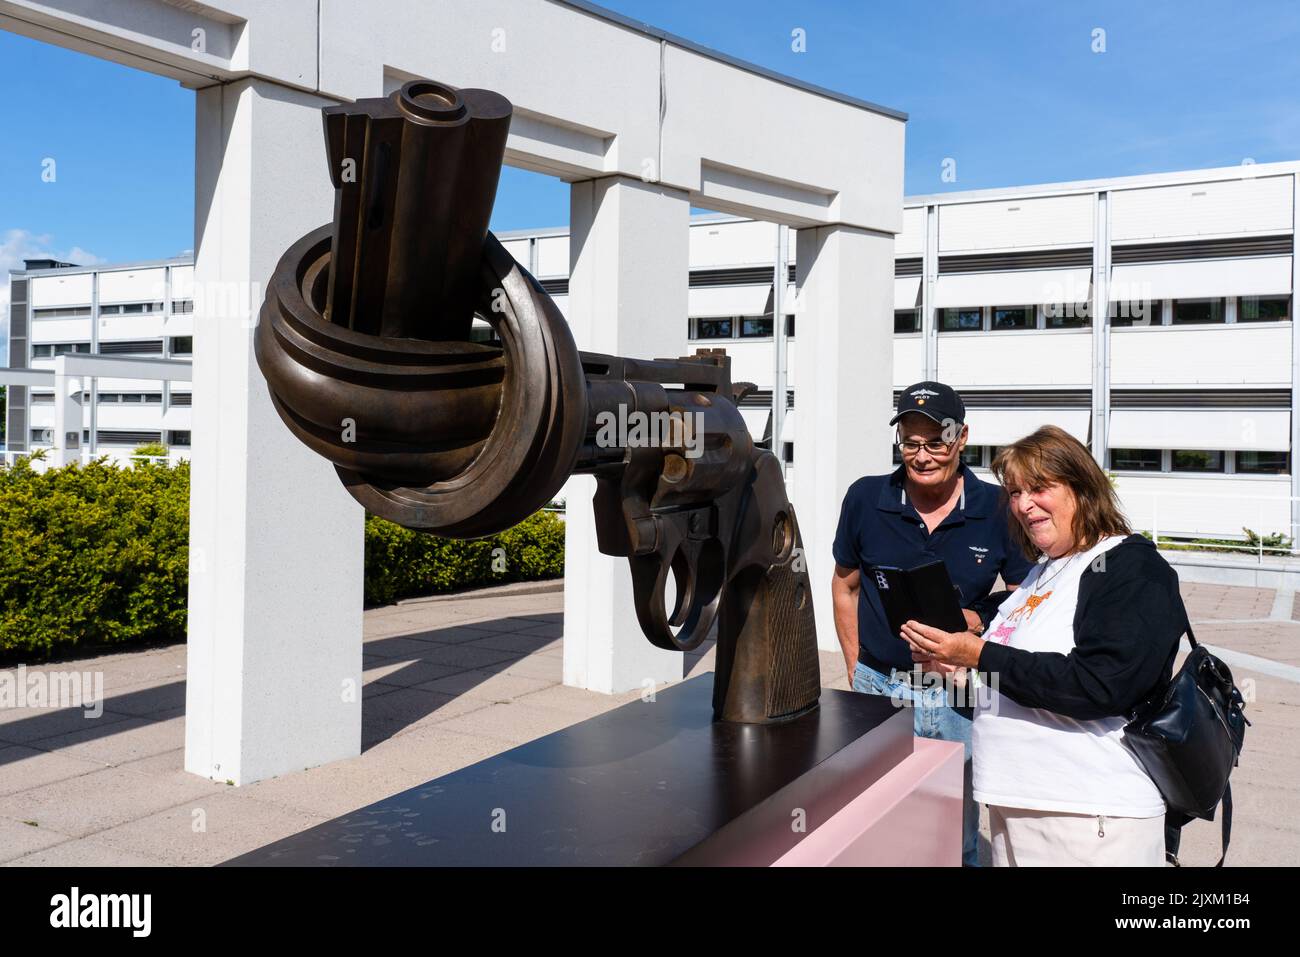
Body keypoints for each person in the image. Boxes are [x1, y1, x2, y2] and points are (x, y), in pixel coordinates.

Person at [899, 425, 1186, 866]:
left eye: (1039, 488)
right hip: (1019, 809)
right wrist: (953, 671)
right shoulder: (1045, 571)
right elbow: (1016, 688)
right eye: (1014, 492)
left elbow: (1101, 685)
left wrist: (978, 654)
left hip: (1089, 820)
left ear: (1082, 487)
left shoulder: (1131, 566)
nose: (1023, 504)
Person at [831, 381, 1032, 867]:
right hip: (881, 685)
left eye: (936, 441)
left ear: (962, 438)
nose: (922, 456)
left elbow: (1027, 597)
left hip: (960, 689)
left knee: (954, 832)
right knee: (874, 821)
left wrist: (978, 617)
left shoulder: (998, 508)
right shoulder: (865, 498)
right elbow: (845, 586)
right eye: (910, 442)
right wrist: (858, 670)